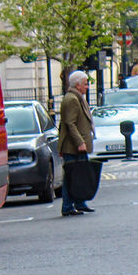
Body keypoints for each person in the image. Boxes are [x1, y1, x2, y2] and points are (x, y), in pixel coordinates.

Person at [58, 70, 95, 217]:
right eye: (85, 84)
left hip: (78, 146)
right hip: (72, 147)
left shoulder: (77, 97)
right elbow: (70, 124)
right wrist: (80, 142)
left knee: (79, 176)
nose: (87, 87)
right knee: (71, 177)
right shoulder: (72, 99)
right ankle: (68, 206)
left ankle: (79, 203)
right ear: (78, 85)